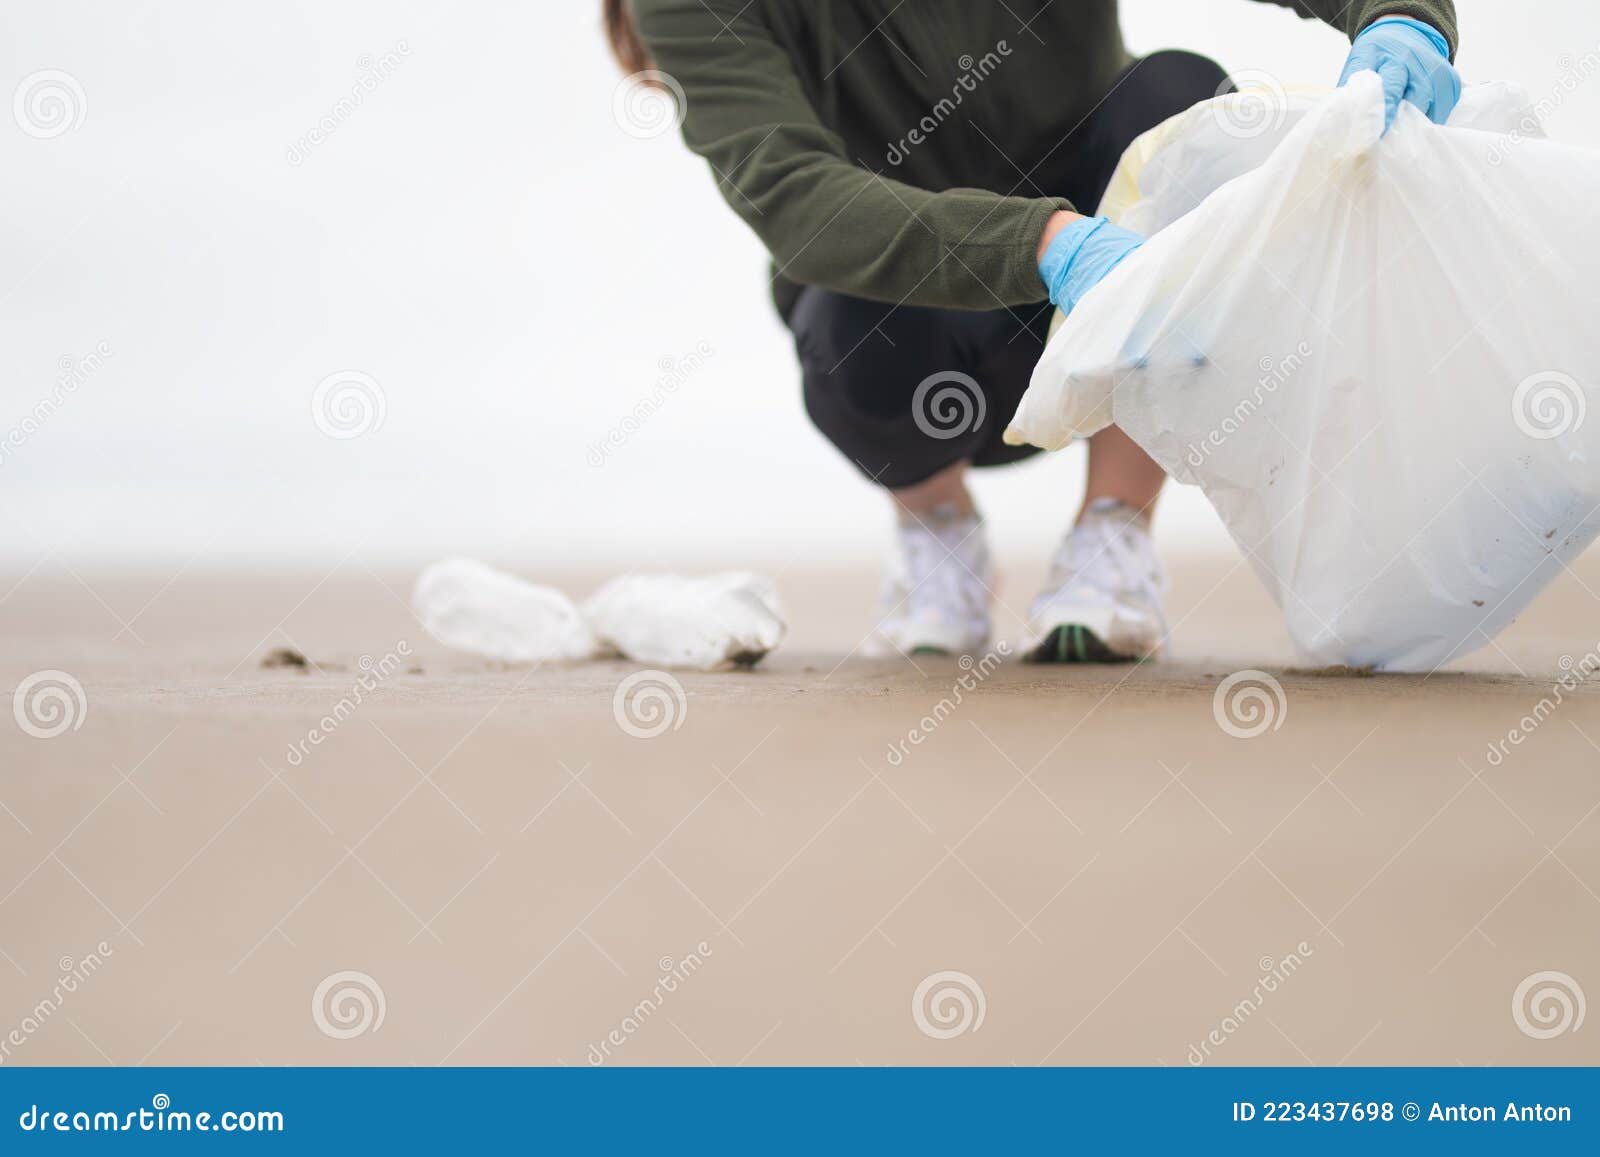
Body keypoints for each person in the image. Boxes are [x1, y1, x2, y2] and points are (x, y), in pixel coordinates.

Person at [607, 1, 1460, 661]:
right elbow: (794, 196)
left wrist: (1399, 15)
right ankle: (938, 535)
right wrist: (1042, 244)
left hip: (1111, 296)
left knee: (1179, 95)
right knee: (841, 325)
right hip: (909, 343)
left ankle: (1111, 539)